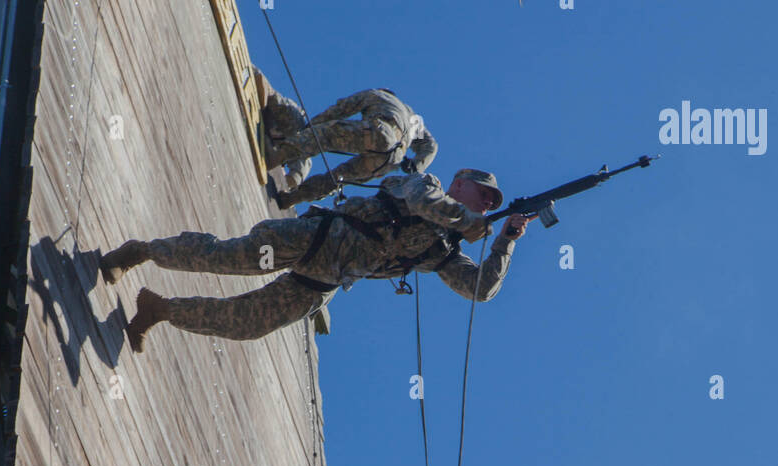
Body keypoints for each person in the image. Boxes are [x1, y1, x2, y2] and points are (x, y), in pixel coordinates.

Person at [99, 168, 532, 353]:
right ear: (461, 184)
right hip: (313, 239)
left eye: (491, 202)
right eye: (483, 195)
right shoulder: (426, 184)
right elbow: (421, 200)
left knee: (248, 322)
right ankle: (143, 251)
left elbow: (480, 290)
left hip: (324, 280)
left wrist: (505, 242)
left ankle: (159, 311)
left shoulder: (444, 250)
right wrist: (465, 220)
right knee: (224, 257)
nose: (486, 203)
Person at [259, 86, 439, 209]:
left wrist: (307, 131)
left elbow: (340, 110)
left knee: (326, 136)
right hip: (390, 161)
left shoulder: (377, 95)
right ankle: (292, 198)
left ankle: (276, 156)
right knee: (338, 178)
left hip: (380, 134)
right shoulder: (413, 120)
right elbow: (430, 145)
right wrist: (416, 165)